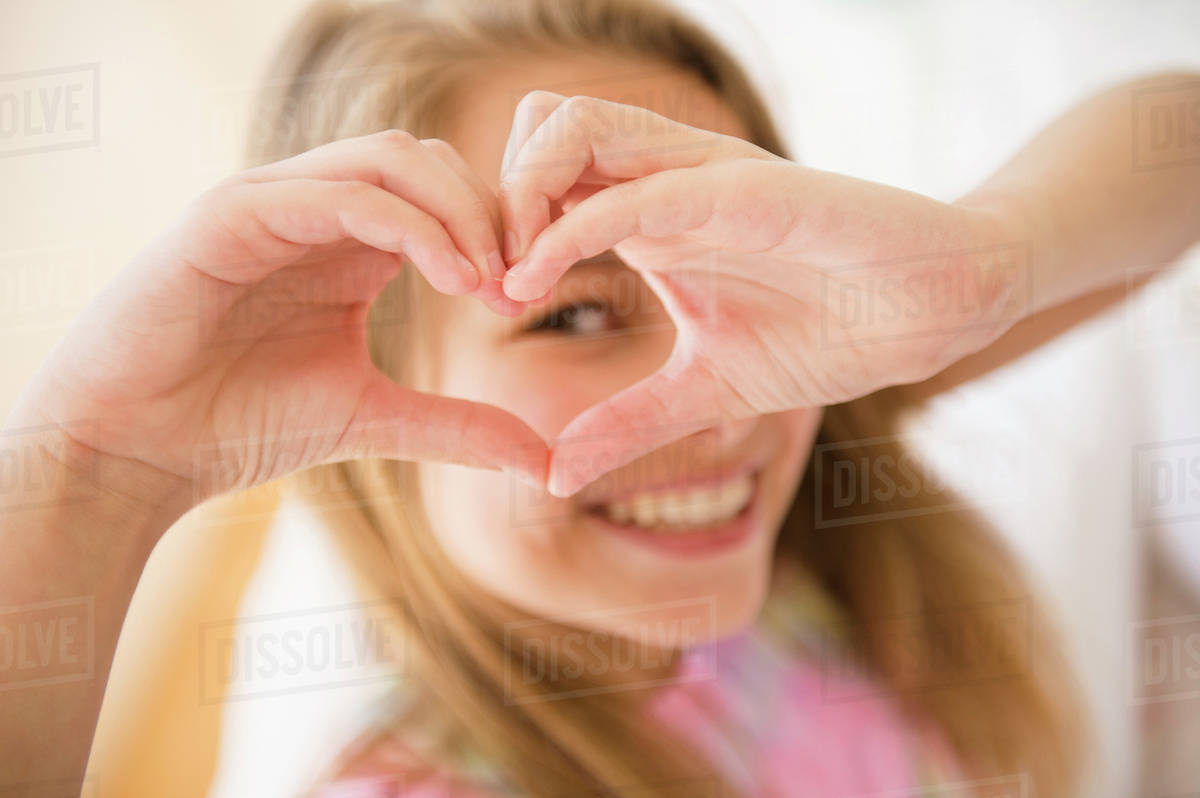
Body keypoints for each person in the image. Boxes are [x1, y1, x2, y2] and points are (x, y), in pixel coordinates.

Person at [2, 0, 1197, 796]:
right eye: (574, 314)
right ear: (362, 380)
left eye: (731, 279)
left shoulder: (790, 394)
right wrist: (97, 478)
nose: (714, 404)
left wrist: (982, 269)